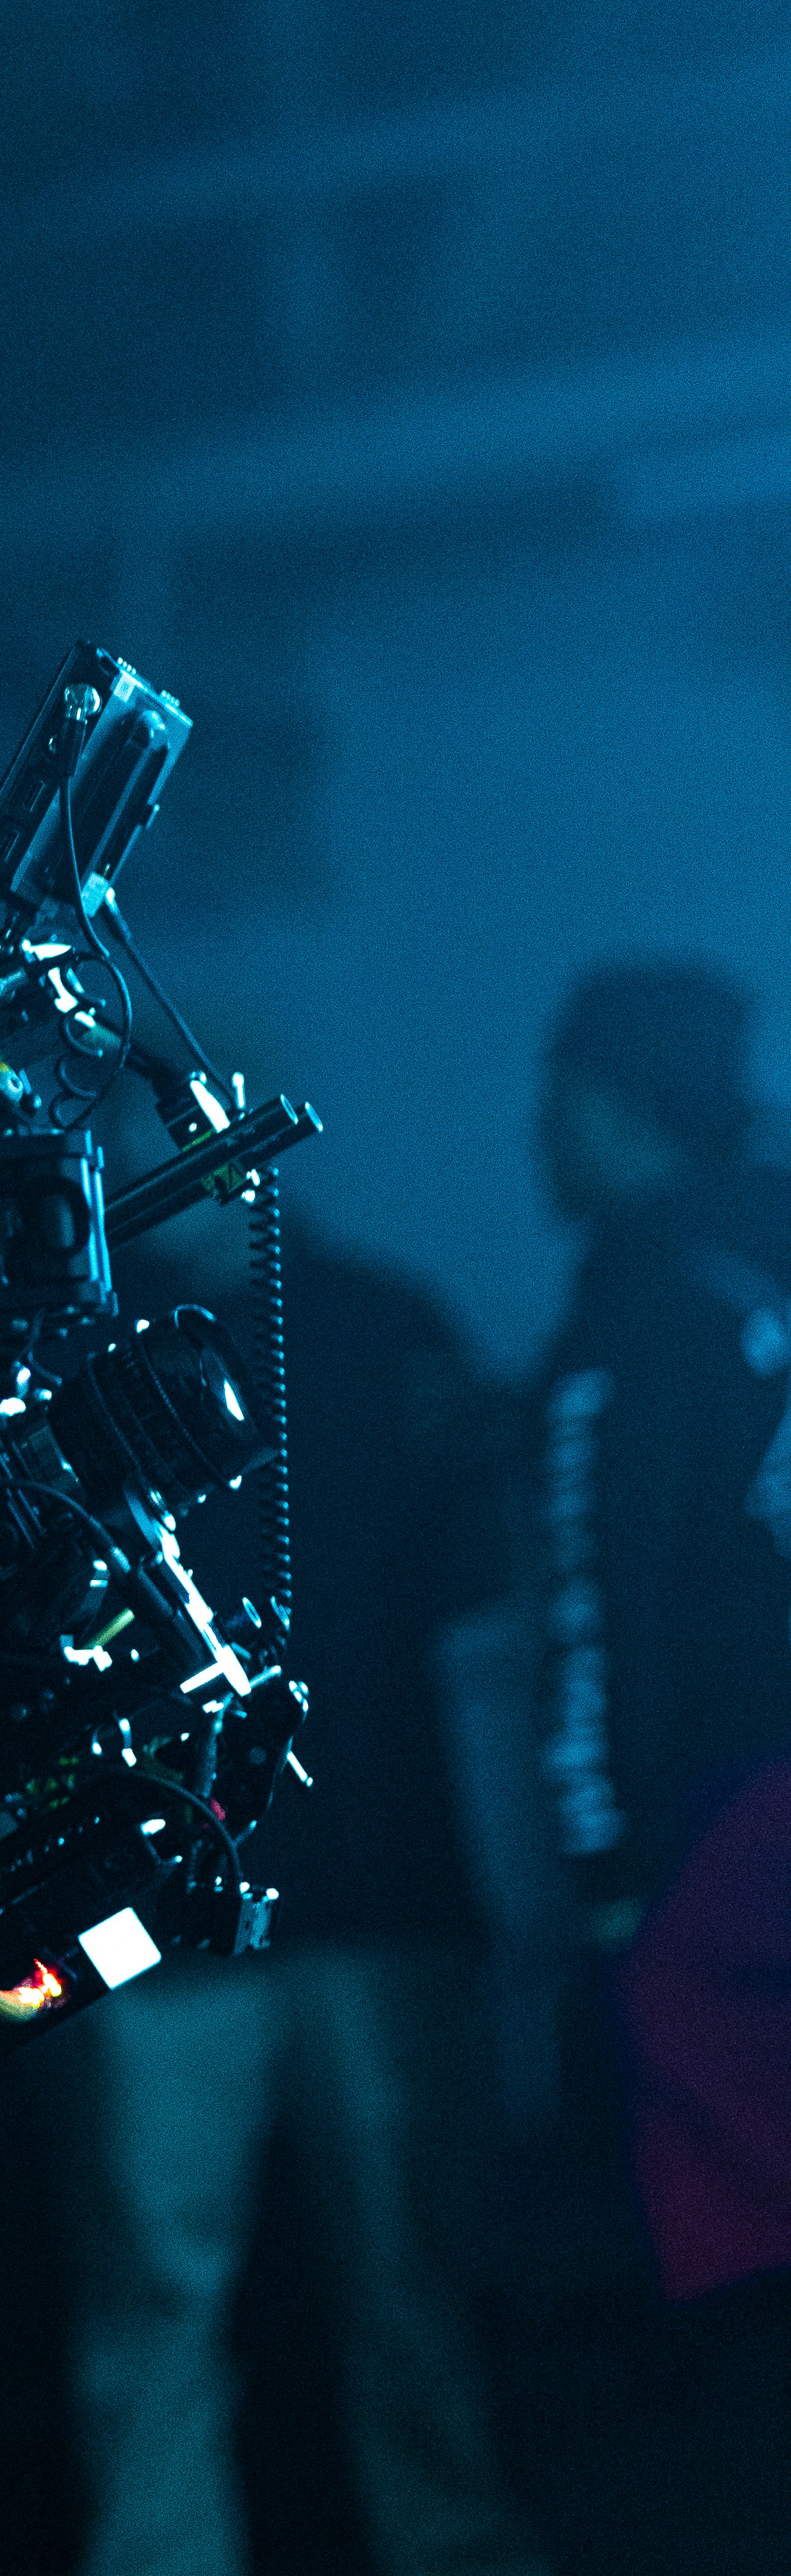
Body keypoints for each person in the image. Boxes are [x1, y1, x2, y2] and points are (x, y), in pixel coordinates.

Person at [56, 1076, 554, 2576]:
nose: (159, 1163)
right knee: (159, 2286)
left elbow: (479, 1616)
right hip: (176, 1901)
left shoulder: (369, 1324)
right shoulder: (84, 1334)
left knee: (397, 2277)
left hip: (368, 1884)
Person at [533, 963, 791, 2316]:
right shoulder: (758, 1266)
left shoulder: (638, 1303)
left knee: (729, 2202)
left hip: (723, 1813)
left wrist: (604, 1861)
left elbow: (600, 1603)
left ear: (608, 1101)